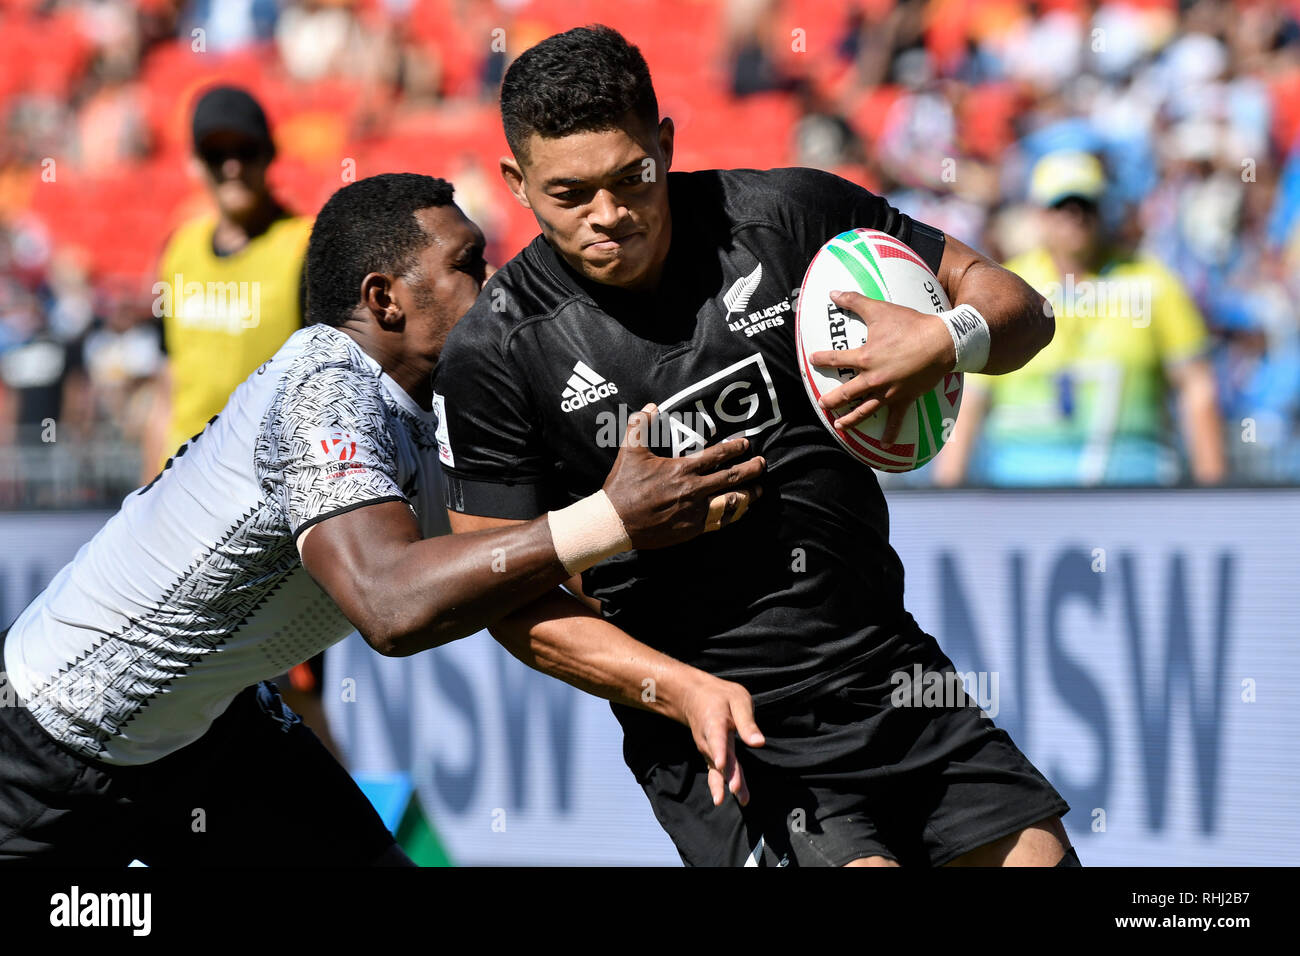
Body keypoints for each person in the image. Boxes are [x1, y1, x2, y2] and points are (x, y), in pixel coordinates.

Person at [434, 25, 1078, 867]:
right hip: (723, 723)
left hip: (888, 668)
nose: (610, 214)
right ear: (517, 183)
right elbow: (503, 595)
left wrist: (946, 337)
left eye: (634, 177)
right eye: (571, 194)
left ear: (665, 143)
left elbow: (1024, 310)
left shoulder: (785, 218)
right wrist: (676, 685)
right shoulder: (496, 354)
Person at [0, 173, 766, 866]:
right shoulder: (323, 384)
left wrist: (681, 672)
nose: (494, 282)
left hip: (211, 733)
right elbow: (391, 605)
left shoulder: (447, 413)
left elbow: (512, 580)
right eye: (468, 264)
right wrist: (610, 518)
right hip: (50, 744)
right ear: (383, 299)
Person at [935, 151, 1226, 487]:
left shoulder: (1154, 284)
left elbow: (1197, 387)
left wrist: (1212, 492)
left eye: (1086, 206)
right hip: (1021, 494)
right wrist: (947, 492)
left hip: (1136, 489)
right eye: (1062, 206)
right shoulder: (1006, 289)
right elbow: (971, 399)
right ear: (1039, 214)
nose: (1075, 217)